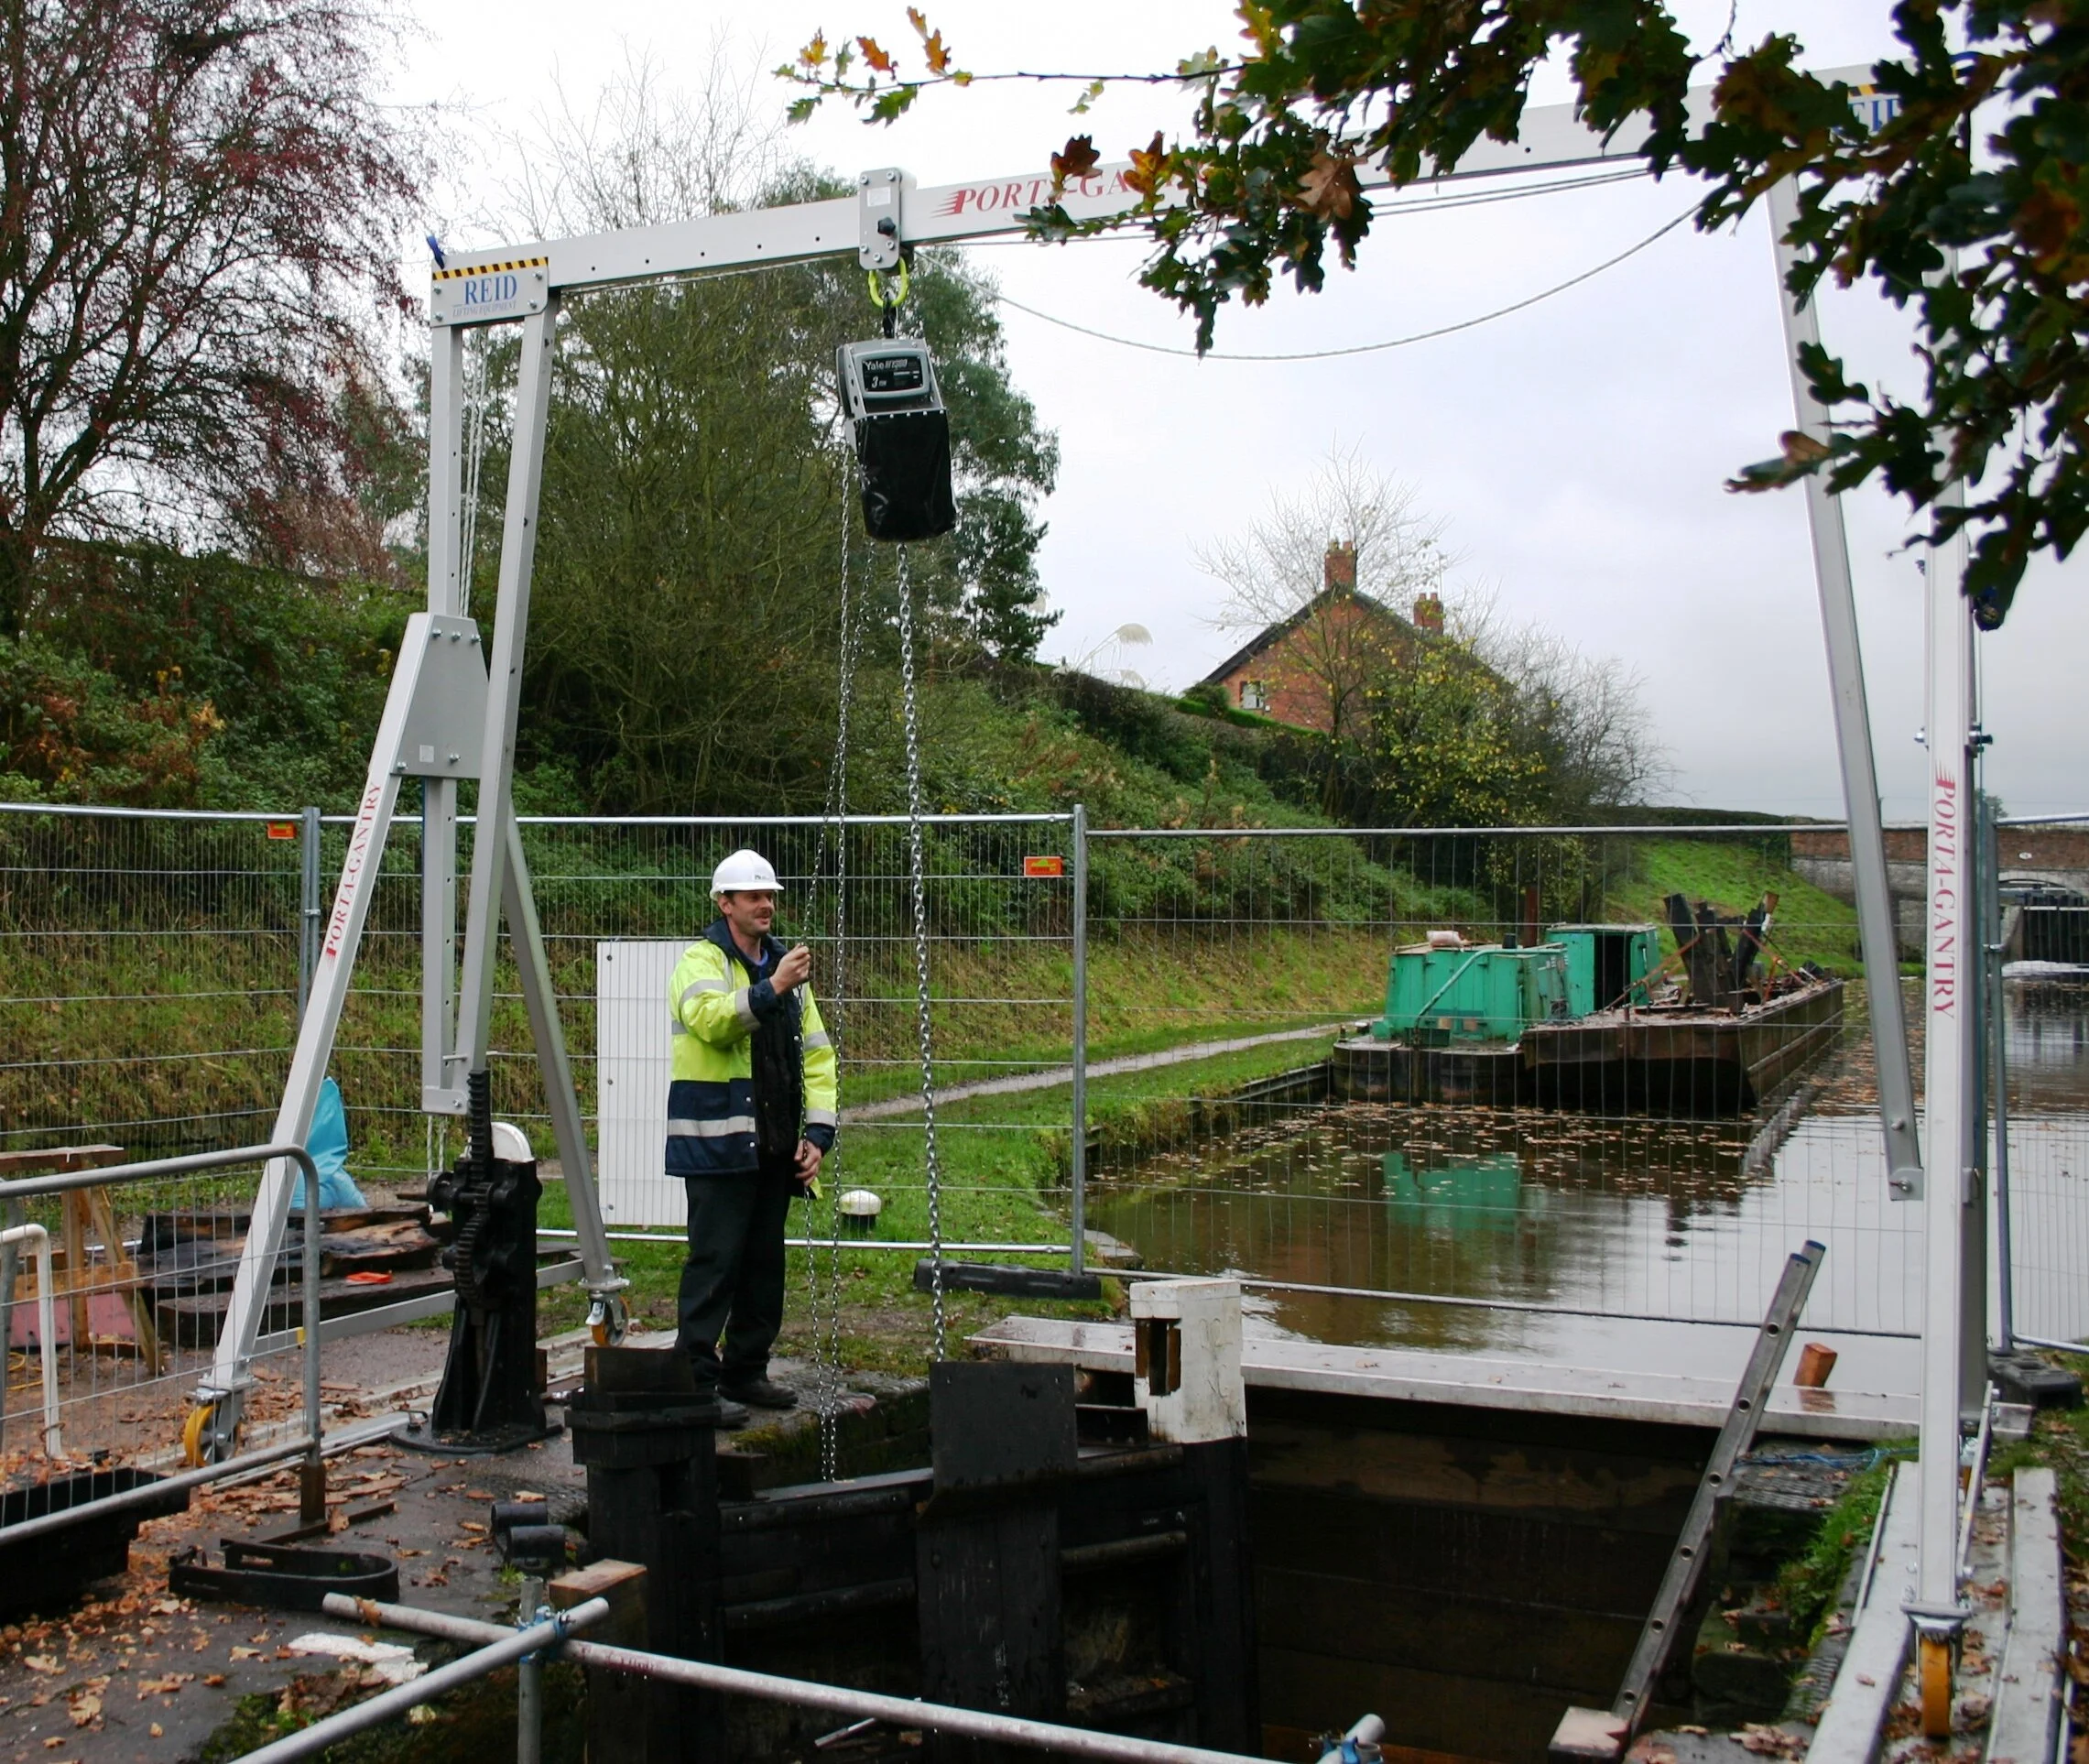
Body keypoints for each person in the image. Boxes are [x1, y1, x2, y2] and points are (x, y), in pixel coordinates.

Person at [666, 848, 838, 1424]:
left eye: (770, 896)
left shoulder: (786, 968)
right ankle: (693, 1382)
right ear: (725, 903)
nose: (766, 905)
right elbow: (711, 1021)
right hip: (718, 1142)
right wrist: (773, 988)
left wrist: (816, 1133)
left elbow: (817, 1056)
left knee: (764, 1264)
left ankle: (746, 1371)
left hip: (773, 1143)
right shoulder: (701, 960)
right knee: (715, 1262)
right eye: (753, 896)